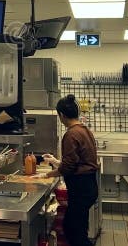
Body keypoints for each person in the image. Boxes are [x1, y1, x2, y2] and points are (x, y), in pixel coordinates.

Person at [36, 94, 99, 246]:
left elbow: (68, 168)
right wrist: (55, 161)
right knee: (75, 229)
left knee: (74, 232)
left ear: (62, 115)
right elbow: (75, 162)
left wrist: (46, 174)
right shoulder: (84, 130)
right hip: (88, 186)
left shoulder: (71, 134)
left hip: (81, 189)